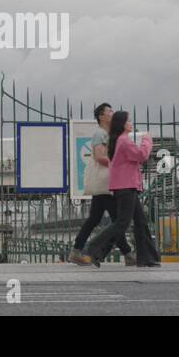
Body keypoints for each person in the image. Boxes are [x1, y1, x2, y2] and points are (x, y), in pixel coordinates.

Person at [85, 111, 161, 267]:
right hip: (126, 186)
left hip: (128, 185)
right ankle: (94, 247)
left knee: (140, 222)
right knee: (122, 223)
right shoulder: (124, 141)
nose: (131, 123)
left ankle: (146, 258)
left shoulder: (120, 140)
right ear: (122, 124)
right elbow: (141, 155)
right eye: (129, 121)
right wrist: (147, 139)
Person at [69, 103, 136, 266]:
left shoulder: (108, 133)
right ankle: (127, 253)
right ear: (101, 116)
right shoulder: (100, 134)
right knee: (118, 220)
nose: (112, 113)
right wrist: (119, 164)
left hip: (106, 183)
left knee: (98, 218)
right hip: (106, 182)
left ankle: (78, 250)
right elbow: (100, 156)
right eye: (109, 111)